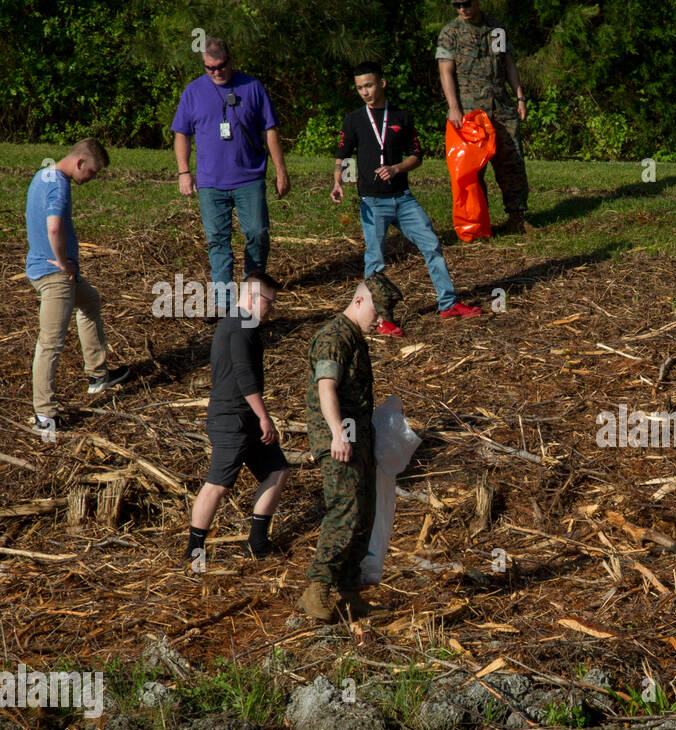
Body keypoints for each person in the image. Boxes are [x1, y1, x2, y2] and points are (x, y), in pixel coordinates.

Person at [332, 61, 483, 337]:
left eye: (368, 85)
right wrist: (337, 181)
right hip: (372, 202)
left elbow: (417, 156)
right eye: (359, 88)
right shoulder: (353, 119)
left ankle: (448, 303)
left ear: (382, 83)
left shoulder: (401, 117)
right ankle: (381, 319)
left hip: (403, 199)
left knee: (432, 245)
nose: (364, 91)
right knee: (375, 261)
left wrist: (397, 168)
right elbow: (342, 154)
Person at [298, 277, 400, 622]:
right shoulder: (334, 336)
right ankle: (317, 587)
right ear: (359, 301)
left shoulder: (356, 339)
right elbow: (327, 387)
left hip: (357, 442)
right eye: (377, 311)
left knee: (363, 514)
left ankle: (349, 591)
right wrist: (338, 434)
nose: (380, 321)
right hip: (339, 441)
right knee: (345, 510)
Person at [171, 37, 290, 314]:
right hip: (211, 182)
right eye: (209, 68)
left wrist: (281, 172)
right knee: (218, 241)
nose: (215, 72)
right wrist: (184, 171)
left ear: (230, 60)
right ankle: (223, 304)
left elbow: (270, 130)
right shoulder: (193, 92)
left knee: (257, 233)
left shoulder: (252, 87)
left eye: (220, 66)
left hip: (249, 177)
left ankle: (254, 293)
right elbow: (182, 134)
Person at [25, 139, 129, 433]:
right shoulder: (60, 185)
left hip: (43, 267)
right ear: (80, 163)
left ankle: (98, 375)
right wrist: (63, 261)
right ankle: (45, 416)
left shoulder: (43, 174)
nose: (91, 178)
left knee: (90, 301)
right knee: (50, 343)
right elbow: (54, 225)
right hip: (55, 275)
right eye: (93, 172)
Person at [185, 272, 289, 566]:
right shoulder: (241, 325)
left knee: (277, 470)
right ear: (255, 297)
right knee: (217, 484)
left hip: (245, 419)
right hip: (232, 419)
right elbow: (245, 377)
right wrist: (264, 417)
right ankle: (194, 551)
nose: (272, 309)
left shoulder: (241, 323)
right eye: (270, 302)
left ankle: (257, 543)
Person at [436, 0, 531, 233]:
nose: (462, 9)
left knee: (512, 162)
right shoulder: (451, 33)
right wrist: (454, 107)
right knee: (473, 170)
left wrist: (519, 97)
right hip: (471, 111)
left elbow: (508, 63)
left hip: (501, 107)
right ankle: (478, 223)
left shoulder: (496, 28)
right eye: (456, 5)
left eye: (466, 3)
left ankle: (517, 217)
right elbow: (445, 72)